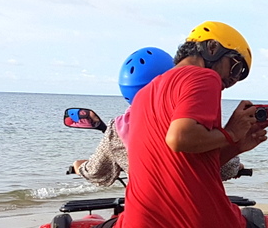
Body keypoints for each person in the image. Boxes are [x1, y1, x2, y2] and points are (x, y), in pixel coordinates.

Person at [70, 21, 268, 228]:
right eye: (236, 68)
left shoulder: (144, 96)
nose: (233, 80)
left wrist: (234, 145)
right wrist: (231, 134)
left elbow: (190, 161)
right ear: (212, 48)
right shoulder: (205, 77)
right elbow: (179, 138)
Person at [72, 46, 245, 187]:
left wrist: (79, 167)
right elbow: (216, 164)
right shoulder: (187, 120)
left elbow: (96, 172)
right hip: (191, 207)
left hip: (144, 213)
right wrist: (236, 162)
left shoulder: (118, 129)